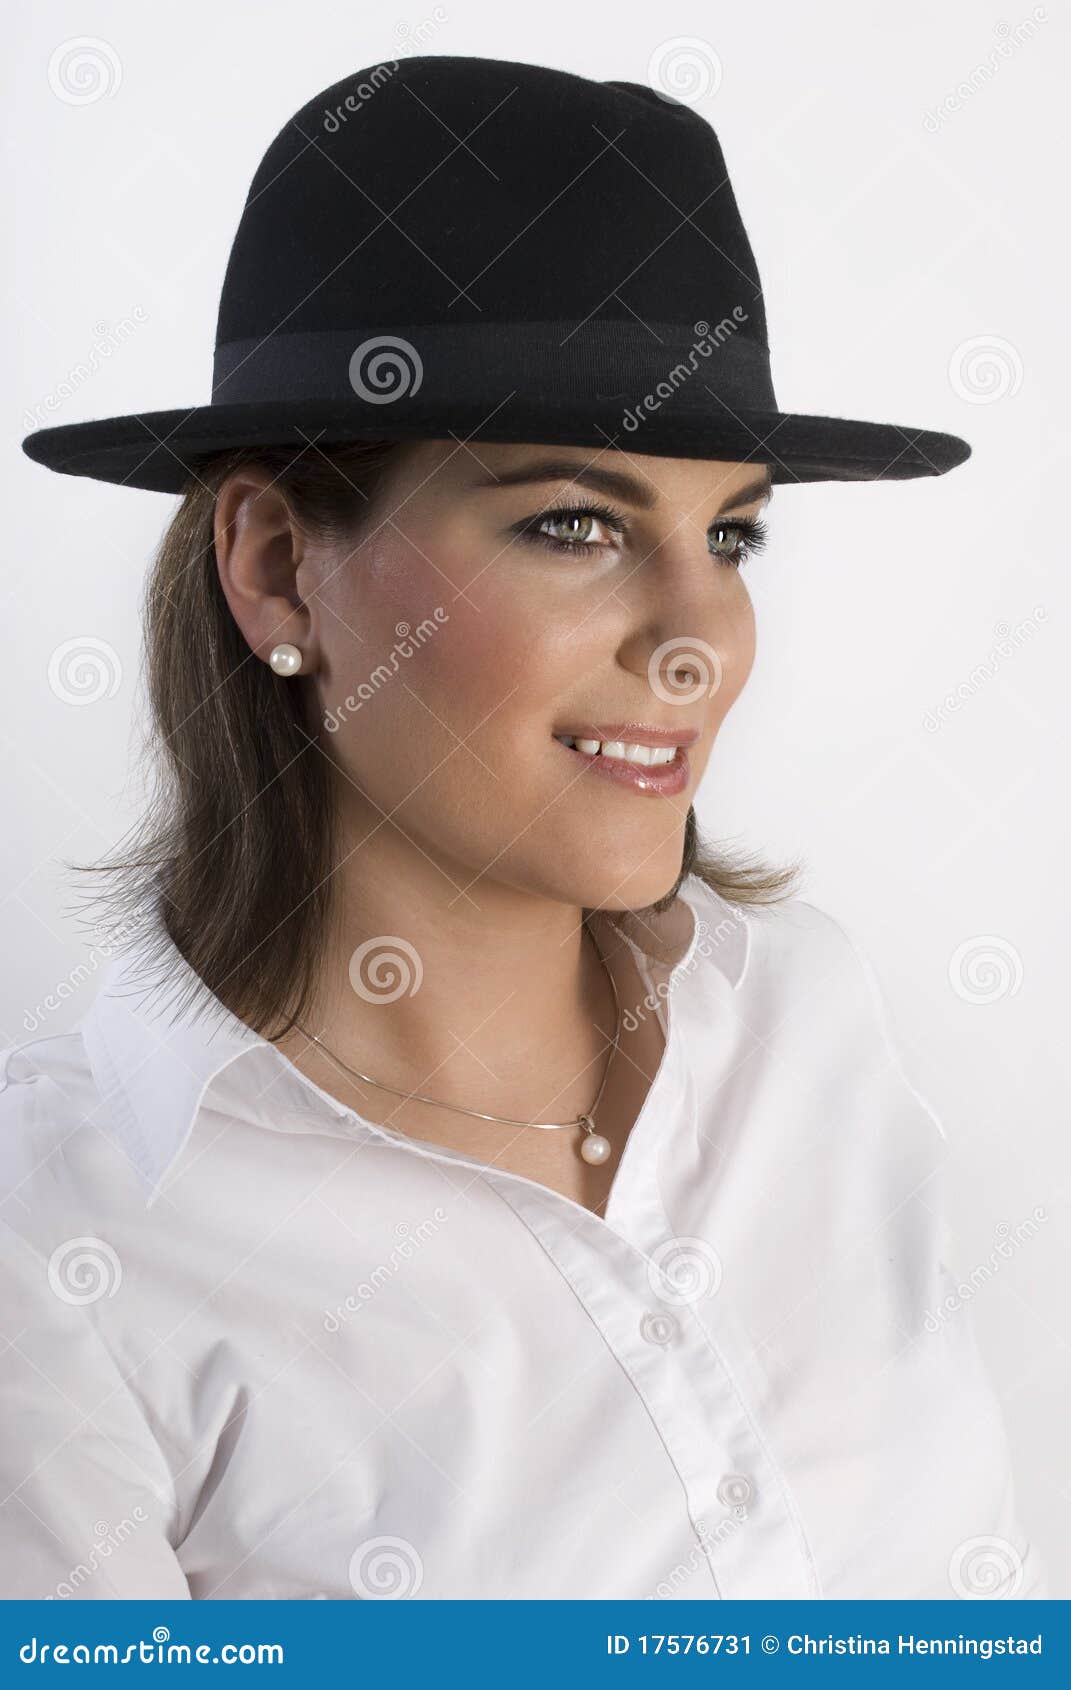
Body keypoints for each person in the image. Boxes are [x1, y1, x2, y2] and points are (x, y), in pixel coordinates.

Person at [2, 54, 1041, 1600]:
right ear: (280, 566)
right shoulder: (64, 1249)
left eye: (733, 534)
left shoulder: (804, 1022)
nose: (701, 640)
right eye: (577, 524)